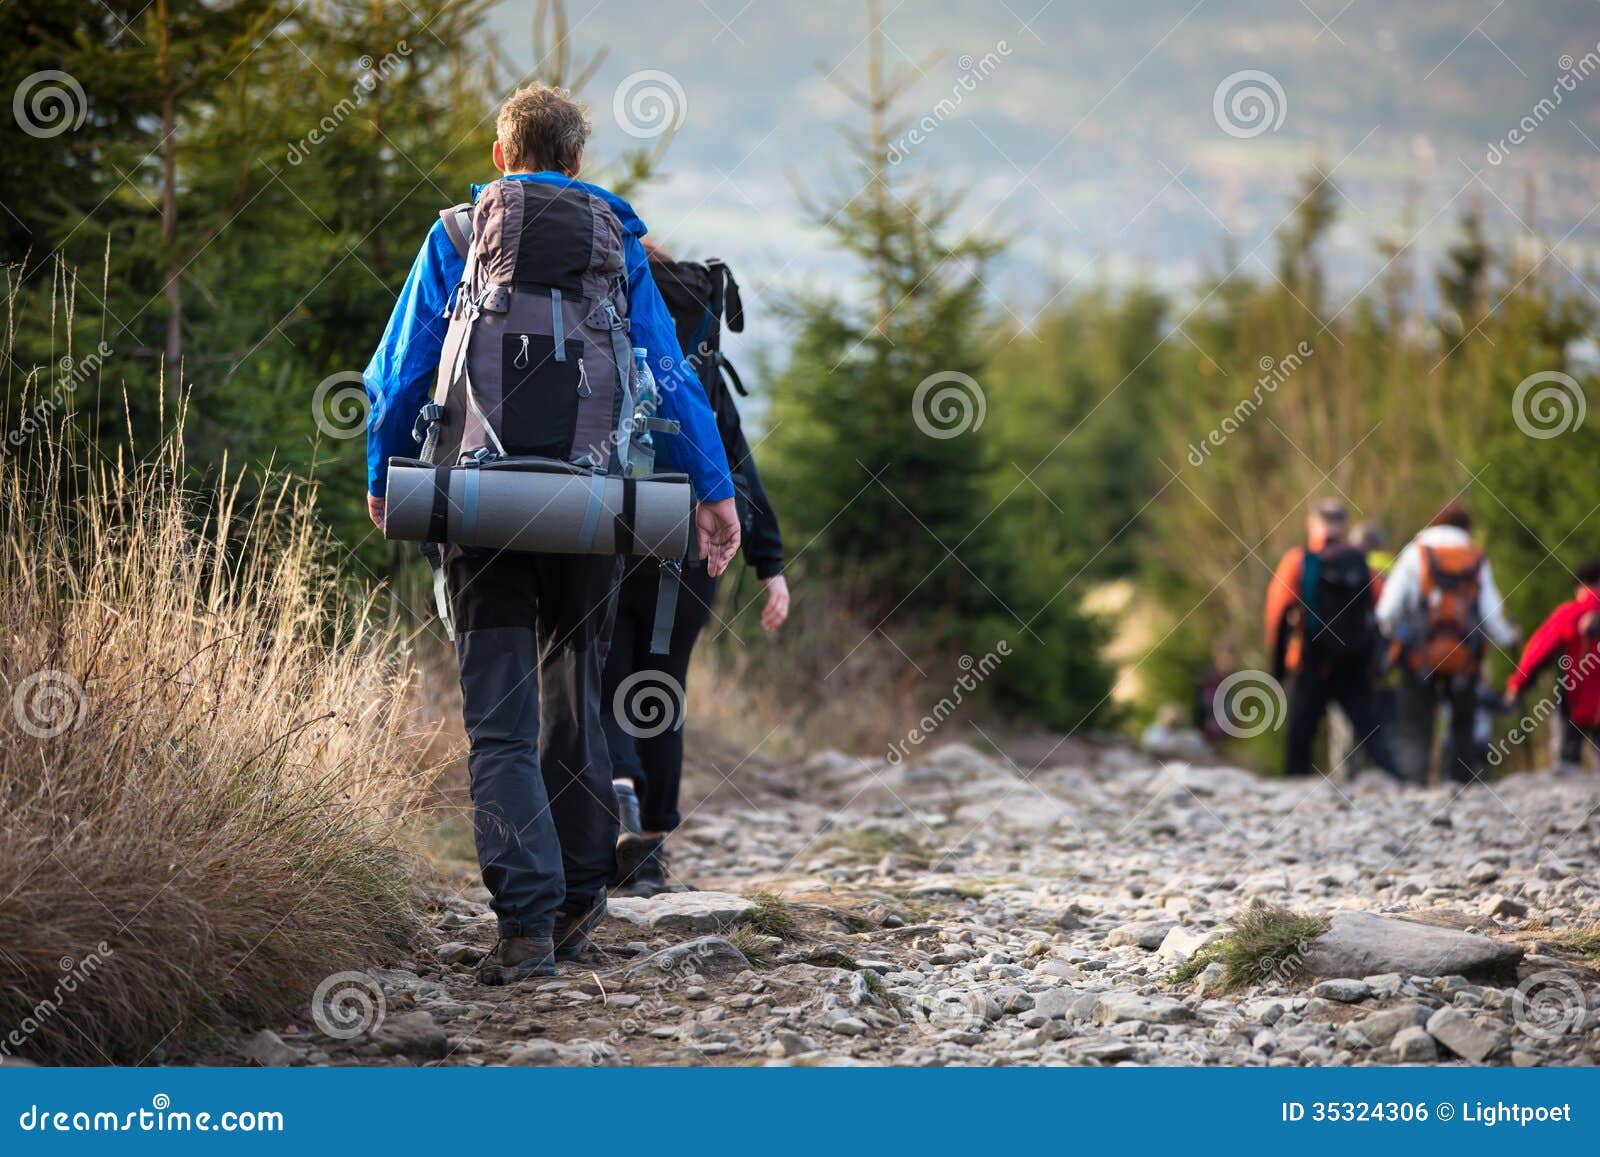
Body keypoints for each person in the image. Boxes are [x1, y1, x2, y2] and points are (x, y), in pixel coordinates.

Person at [363, 83, 740, 984]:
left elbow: (402, 369)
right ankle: (578, 900)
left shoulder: (457, 238)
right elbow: (667, 373)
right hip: (592, 509)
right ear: (577, 162)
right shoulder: (620, 246)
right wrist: (715, 493)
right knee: (577, 706)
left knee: (500, 724)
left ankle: (524, 927)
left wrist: (384, 472)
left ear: (501, 156)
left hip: (478, 509)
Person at [604, 244, 789, 897]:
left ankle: (620, 796)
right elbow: (734, 452)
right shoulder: (700, 341)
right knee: (662, 685)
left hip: (609, 521)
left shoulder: (604, 307)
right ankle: (650, 852)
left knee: (607, 669)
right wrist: (771, 563)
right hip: (690, 531)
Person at [1376, 501, 1518, 784]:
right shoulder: (1476, 557)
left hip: (1419, 656)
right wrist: (1509, 637)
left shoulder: (1416, 552)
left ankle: (1414, 788)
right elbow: (1491, 614)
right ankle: (1460, 787)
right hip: (1465, 658)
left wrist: (1392, 635)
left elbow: (1387, 611)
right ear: (1467, 527)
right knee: (1463, 725)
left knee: (1416, 726)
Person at [1264, 499, 1397, 779]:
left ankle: (1292, 790)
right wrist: (1381, 658)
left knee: (1300, 735)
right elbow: (1386, 611)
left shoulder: (1298, 561)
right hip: (1353, 662)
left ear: (1312, 524)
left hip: (1310, 661)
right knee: (1370, 730)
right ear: (1345, 526)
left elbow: (1277, 615)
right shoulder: (1361, 562)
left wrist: (1276, 671)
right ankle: (1397, 784)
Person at [1505, 560, 1600, 770]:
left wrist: (1519, 685)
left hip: (1575, 699)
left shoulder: (1572, 613)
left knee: (1567, 766)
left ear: (1581, 585)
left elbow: (1539, 652)